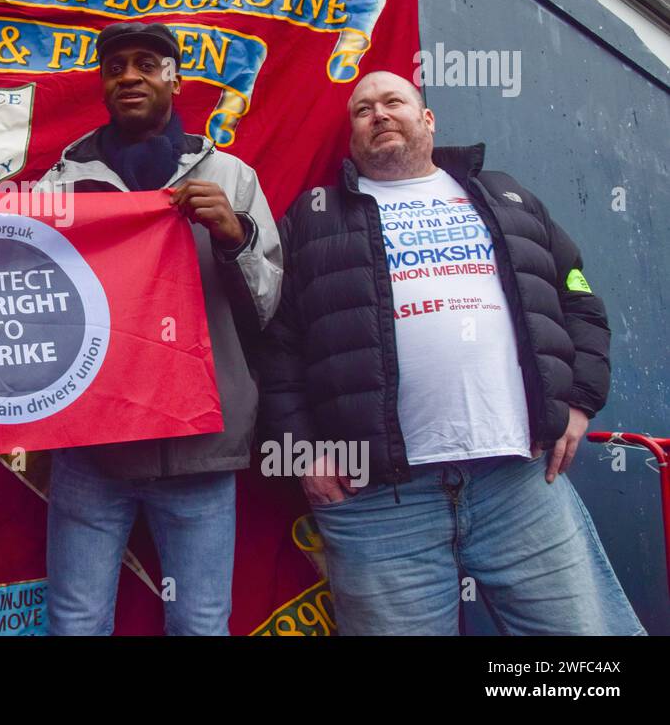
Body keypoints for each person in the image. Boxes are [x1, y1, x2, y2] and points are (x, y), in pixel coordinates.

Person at [260, 69, 644, 635]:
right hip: (378, 502)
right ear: (352, 134)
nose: (379, 114)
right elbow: (278, 343)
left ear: (427, 120)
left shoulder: (506, 195)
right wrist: (300, 451)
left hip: (518, 481)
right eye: (362, 110)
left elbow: (579, 300)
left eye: (394, 101)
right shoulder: (315, 218)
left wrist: (579, 403)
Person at [34, 20, 282, 635]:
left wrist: (236, 237)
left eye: (146, 64)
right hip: (93, 443)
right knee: (75, 622)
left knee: (200, 624)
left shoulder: (230, 178)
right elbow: (28, 302)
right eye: (115, 68)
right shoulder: (60, 184)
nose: (129, 77)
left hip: (199, 442)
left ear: (174, 76)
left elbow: (270, 306)